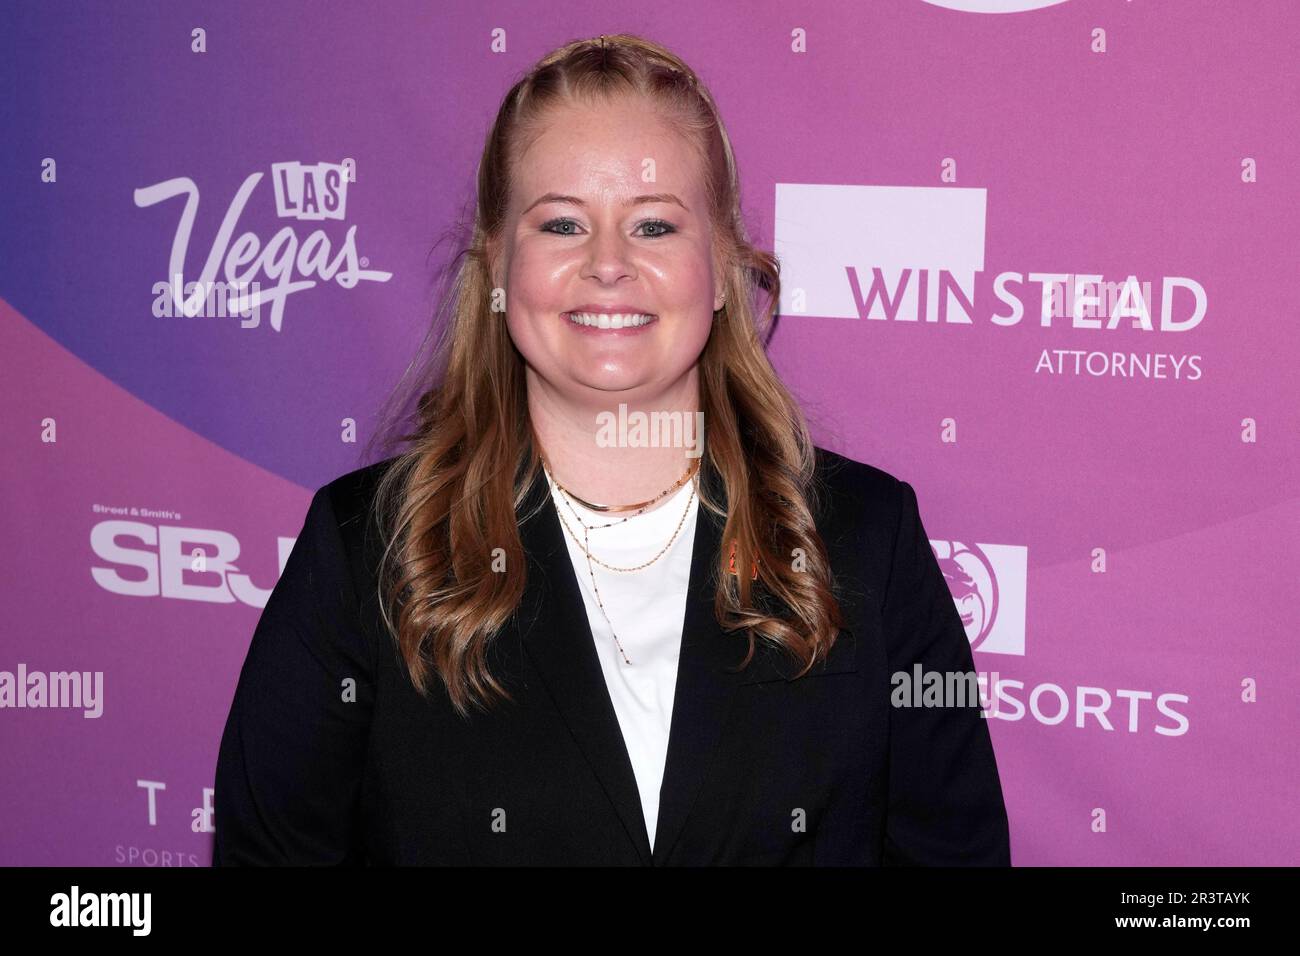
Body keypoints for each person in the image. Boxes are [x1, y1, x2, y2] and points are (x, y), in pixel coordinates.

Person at [213, 33, 1011, 866]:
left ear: (724, 266)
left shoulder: (867, 540)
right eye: (561, 223)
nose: (607, 265)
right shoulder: (362, 551)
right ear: (495, 265)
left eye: (655, 225)